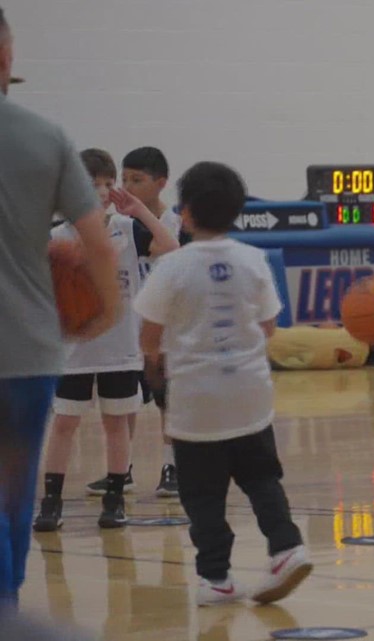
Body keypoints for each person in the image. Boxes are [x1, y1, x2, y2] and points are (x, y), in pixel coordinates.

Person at [134, 161, 311, 606]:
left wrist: (160, 361)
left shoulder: (171, 268)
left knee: (203, 497)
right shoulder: (253, 260)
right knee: (263, 479)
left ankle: (217, 579)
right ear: (237, 213)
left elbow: (149, 339)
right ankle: (286, 547)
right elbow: (270, 325)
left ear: (186, 213)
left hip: (196, 406)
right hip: (250, 397)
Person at [0, 5, 121, 610]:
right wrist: (109, 312)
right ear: (7, 56)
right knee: (14, 487)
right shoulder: (46, 137)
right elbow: (97, 244)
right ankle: (9, 601)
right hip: (27, 350)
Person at [33, 149, 178, 532]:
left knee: (116, 425)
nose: (101, 191)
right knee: (64, 425)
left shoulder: (128, 231)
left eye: (106, 184)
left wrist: (140, 211)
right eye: (91, 184)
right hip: (74, 351)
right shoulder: (57, 239)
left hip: (120, 350)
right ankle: (51, 502)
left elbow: (171, 247)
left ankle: (114, 500)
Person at [86, 145, 184, 498]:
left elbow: (168, 256)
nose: (126, 186)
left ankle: (172, 466)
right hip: (129, 325)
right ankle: (122, 468)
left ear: (160, 183)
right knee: (122, 403)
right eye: (123, 179)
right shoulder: (118, 224)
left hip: (164, 325)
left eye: (136, 180)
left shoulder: (170, 225)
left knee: (165, 399)